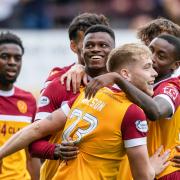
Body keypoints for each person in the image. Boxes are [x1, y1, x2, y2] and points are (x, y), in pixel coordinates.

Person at [0, 26, 169, 179]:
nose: (154, 73)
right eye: (147, 67)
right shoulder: (131, 111)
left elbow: (35, 129)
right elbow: (143, 177)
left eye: (103, 45)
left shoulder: (86, 95)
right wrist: (151, 168)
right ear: (125, 73)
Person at [85, 34, 180, 179]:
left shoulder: (170, 87)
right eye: (151, 50)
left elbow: (156, 111)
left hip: (165, 170)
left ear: (175, 65)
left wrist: (118, 78)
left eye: (161, 56)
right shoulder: (138, 88)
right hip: (141, 170)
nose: (153, 58)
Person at [28, 14, 110, 180]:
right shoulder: (60, 81)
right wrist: (56, 150)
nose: (95, 49)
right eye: (88, 43)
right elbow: (34, 139)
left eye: (102, 43)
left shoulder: (121, 82)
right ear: (74, 46)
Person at [0, 32, 41, 179]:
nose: (12, 62)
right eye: (5, 56)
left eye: (17, 58)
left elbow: (31, 154)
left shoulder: (28, 100)